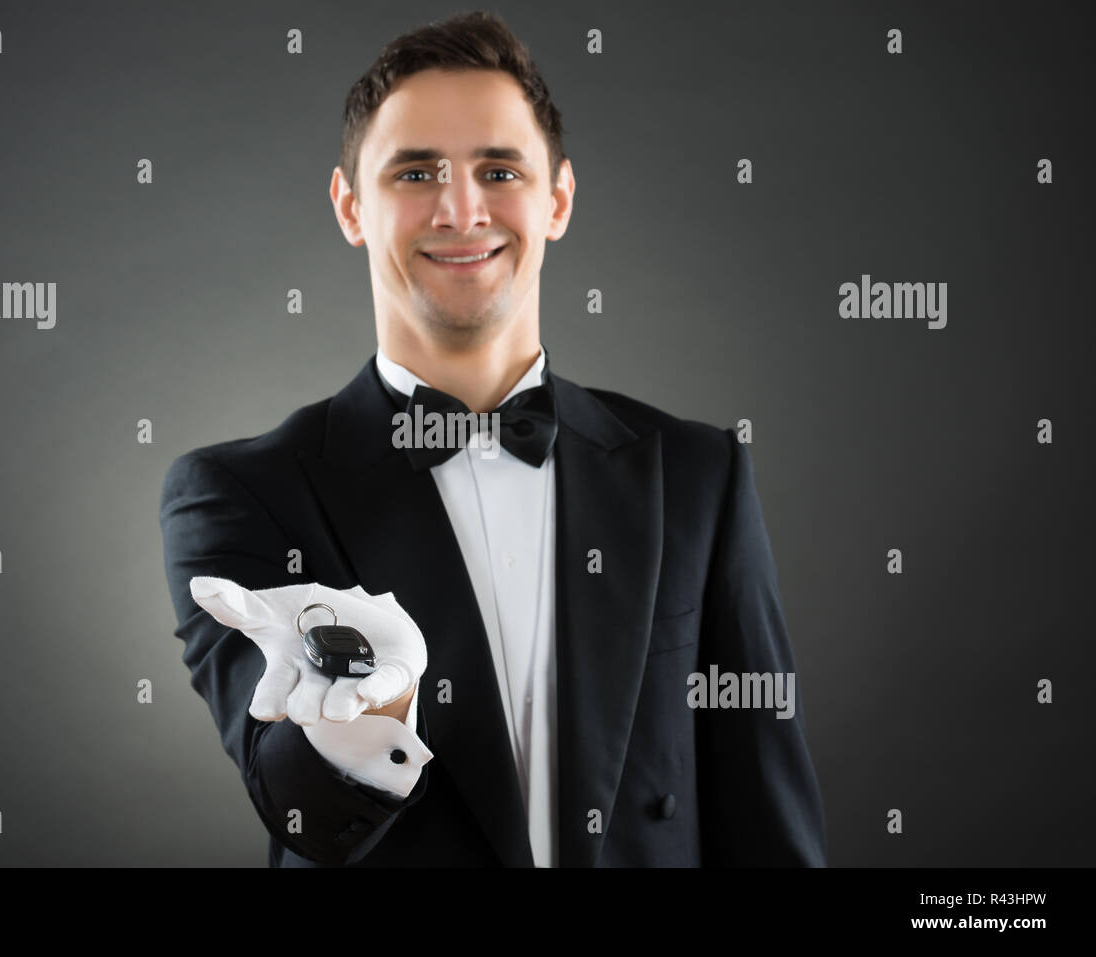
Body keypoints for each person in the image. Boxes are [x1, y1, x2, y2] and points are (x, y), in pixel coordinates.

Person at [158, 10, 826, 867]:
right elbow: (298, 812)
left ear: (558, 199)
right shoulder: (238, 492)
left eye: (499, 168)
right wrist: (368, 715)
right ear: (350, 207)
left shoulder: (698, 473)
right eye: (415, 171)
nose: (461, 208)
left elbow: (766, 819)